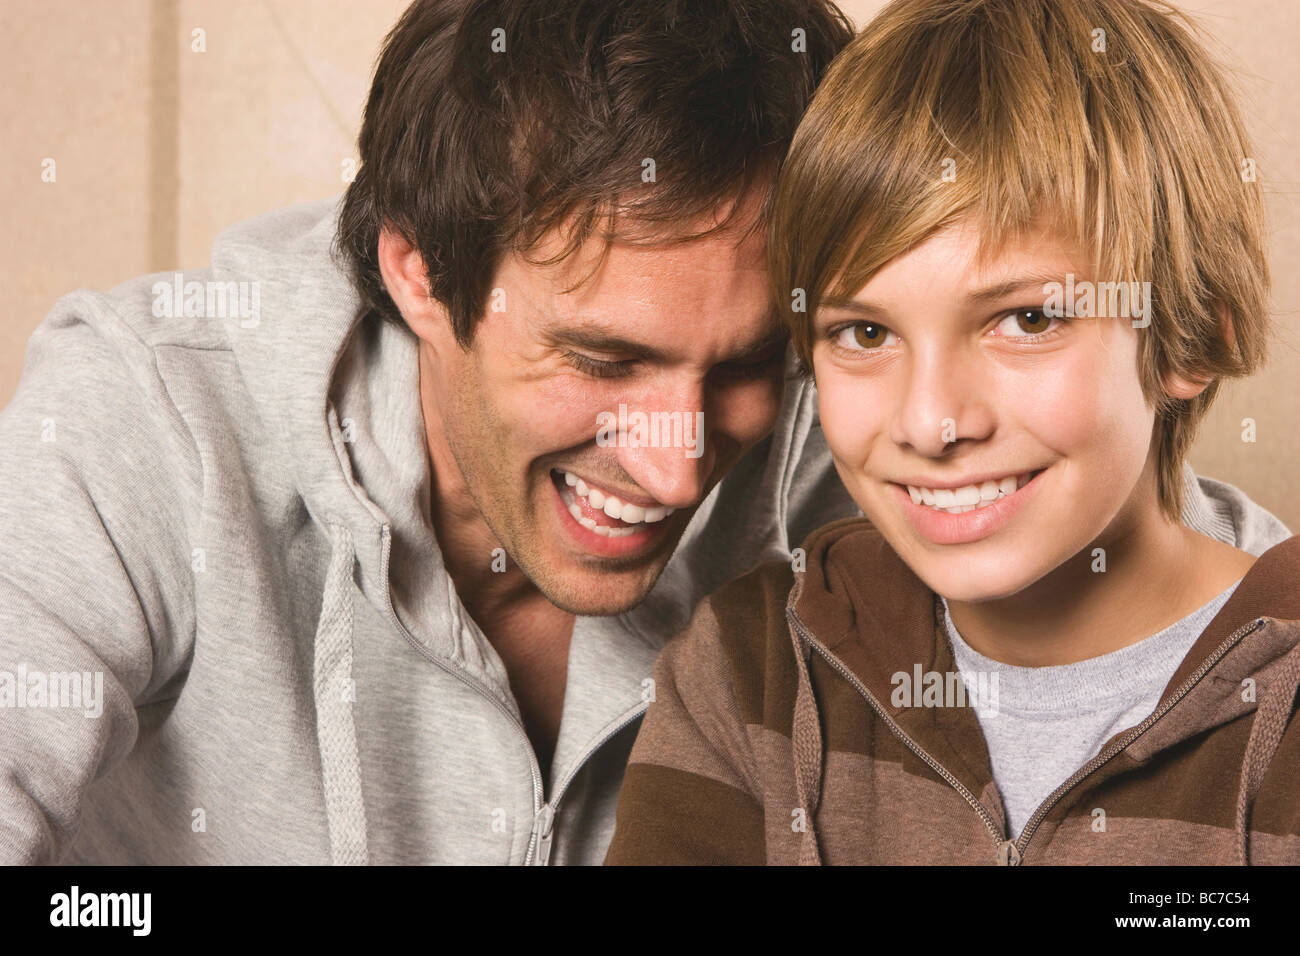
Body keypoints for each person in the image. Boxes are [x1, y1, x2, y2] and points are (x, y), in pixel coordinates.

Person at [0, 0, 858, 865]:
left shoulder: (853, 450)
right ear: (417, 269)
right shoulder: (146, 411)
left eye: (749, 366)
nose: (676, 472)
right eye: (603, 362)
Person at [605, 0, 1297, 865]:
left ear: (1191, 334)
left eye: (1028, 319)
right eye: (865, 333)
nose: (932, 422)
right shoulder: (750, 678)